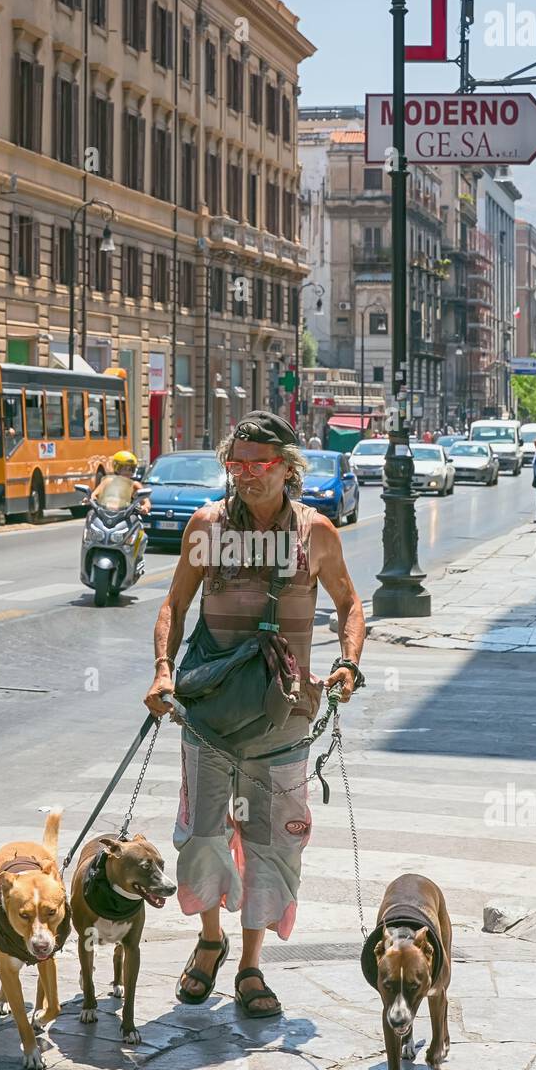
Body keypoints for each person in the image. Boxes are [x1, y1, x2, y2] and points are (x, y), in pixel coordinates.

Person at [144, 410, 365, 1019]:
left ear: (288, 468)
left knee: (269, 843)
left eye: (257, 464)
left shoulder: (317, 534)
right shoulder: (206, 526)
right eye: (235, 465)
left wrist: (347, 663)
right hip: (211, 714)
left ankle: (250, 966)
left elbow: (350, 604)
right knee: (204, 834)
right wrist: (164, 670)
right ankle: (209, 941)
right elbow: (175, 603)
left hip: (285, 715)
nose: (244, 475)